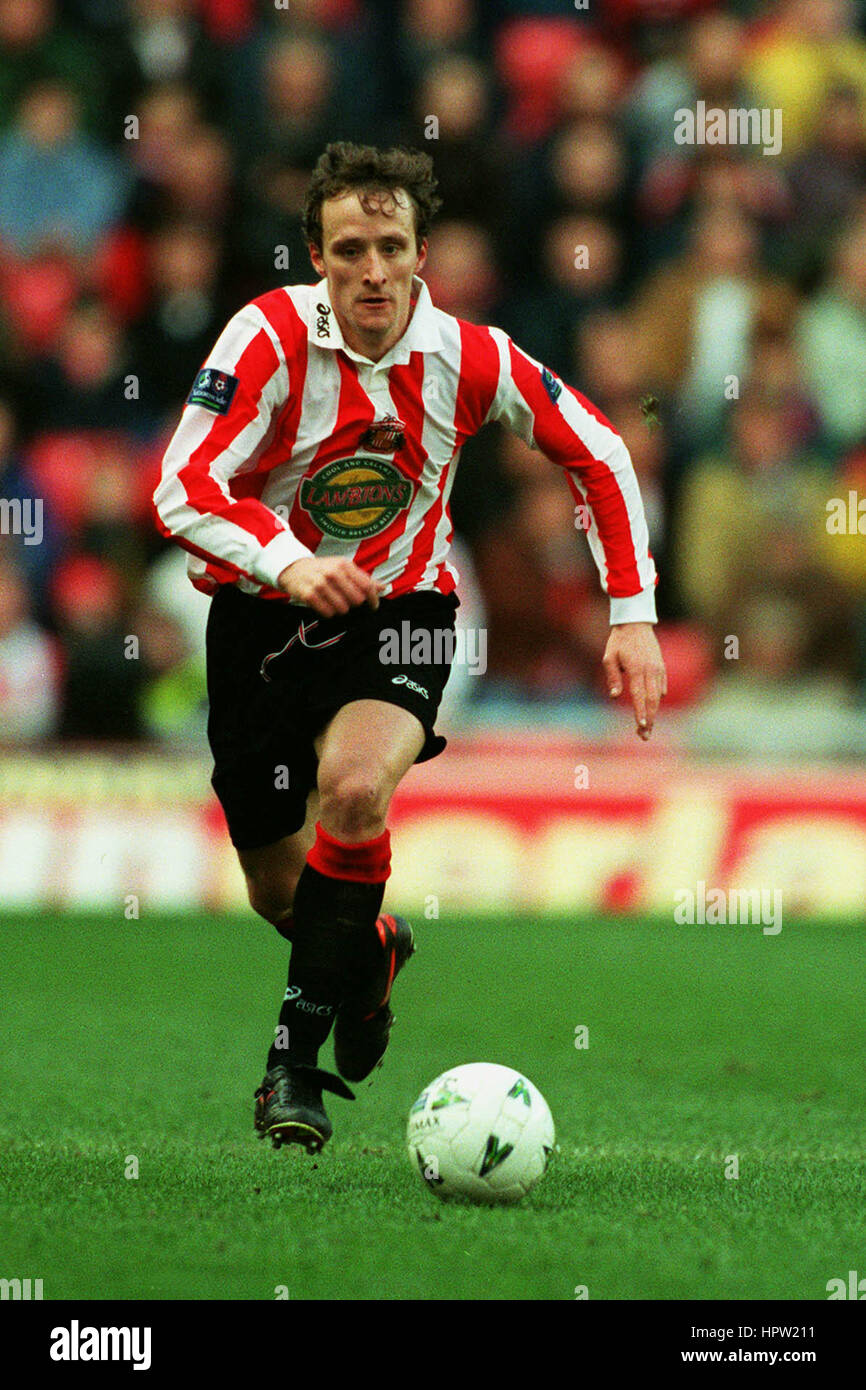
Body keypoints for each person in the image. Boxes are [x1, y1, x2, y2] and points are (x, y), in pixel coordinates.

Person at [153, 142, 666, 1153]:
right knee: (275, 885)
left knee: (352, 790)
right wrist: (291, 560)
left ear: (422, 252)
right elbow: (179, 483)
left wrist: (632, 610)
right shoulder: (261, 340)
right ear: (315, 256)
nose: (373, 272)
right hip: (260, 620)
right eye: (350, 250)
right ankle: (367, 954)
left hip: (405, 608)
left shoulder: (468, 357)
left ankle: (290, 1066)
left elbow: (598, 450)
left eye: (392, 247)